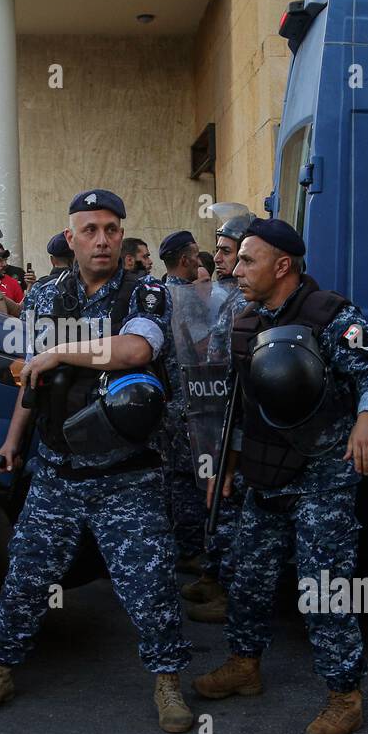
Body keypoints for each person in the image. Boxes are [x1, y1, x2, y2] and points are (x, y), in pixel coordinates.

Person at [0, 189, 194, 734]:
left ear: (122, 235)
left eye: (111, 229)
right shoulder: (43, 297)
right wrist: (12, 440)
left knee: (151, 583)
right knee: (25, 576)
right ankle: (0, 669)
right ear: (71, 238)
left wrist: (61, 351)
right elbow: (32, 381)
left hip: (127, 475)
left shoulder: (146, 293)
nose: (102, 240)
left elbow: (137, 351)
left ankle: (167, 682)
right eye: (89, 230)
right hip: (58, 471)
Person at [193, 218, 368, 734]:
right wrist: (228, 467)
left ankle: (344, 695)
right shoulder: (242, 321)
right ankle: (244, 665)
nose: (235, 269)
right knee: (247, 577)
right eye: (236, 260)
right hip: (264, 473)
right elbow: (240, 405)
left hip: (322, 474)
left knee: (323, 588)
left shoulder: (332, 315)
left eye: (247, 260)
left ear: (282, 266)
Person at [182, 214, 252, 623]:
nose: (221, 258)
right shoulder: (229, 294)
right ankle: (217, 575)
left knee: (233, 505)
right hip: (218, 415)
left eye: (227, 250)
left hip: (238, 422)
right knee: (220, 504)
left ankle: (231, 592)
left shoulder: (245, 300)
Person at [159, 230, 207, 574]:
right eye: (196, 254)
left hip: (165, 405)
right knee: (186, 481)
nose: (199, 259)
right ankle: (189, 551)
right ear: (184, 259)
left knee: (174, 479)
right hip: (185, 405)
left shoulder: (156, 293)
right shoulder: (184, 299)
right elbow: (207, 352)